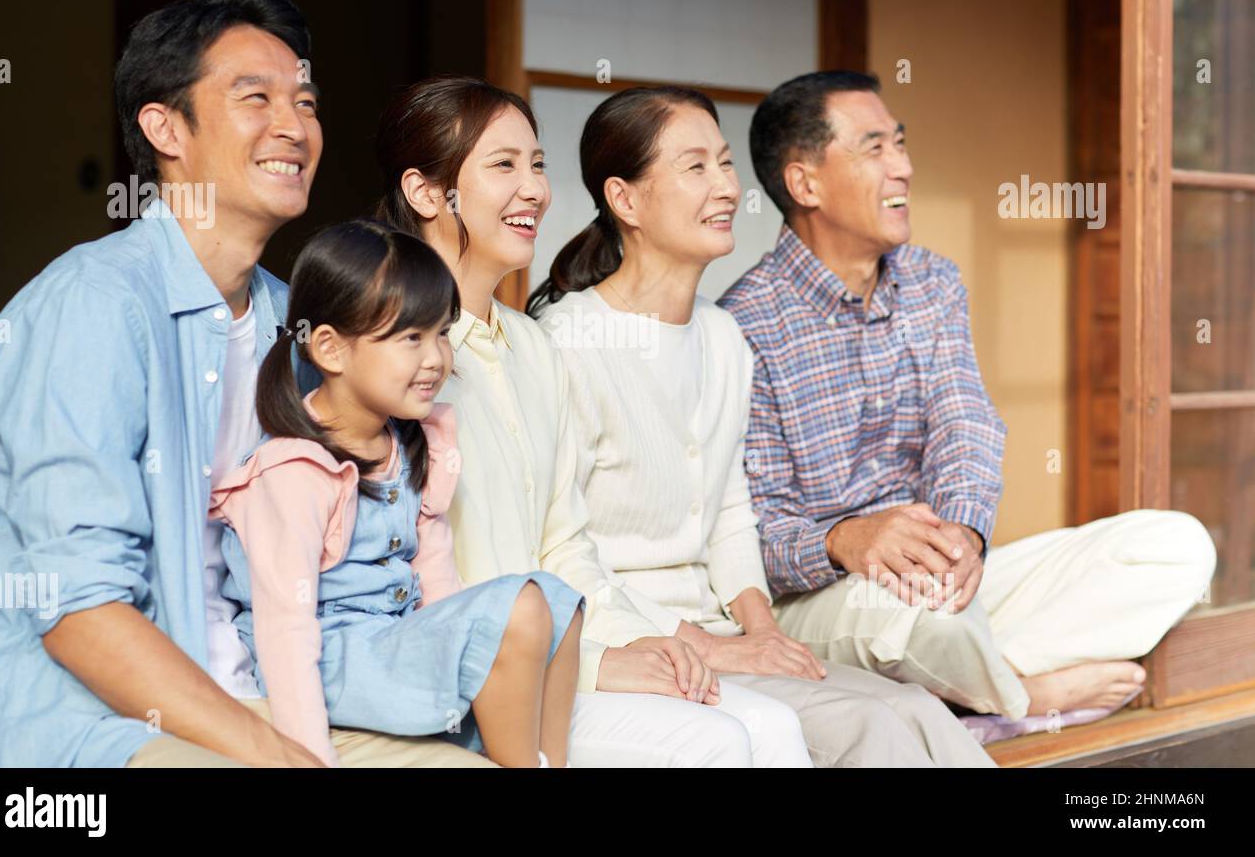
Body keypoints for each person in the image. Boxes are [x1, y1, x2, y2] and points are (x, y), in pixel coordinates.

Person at [0, 0, 489, 767]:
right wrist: (276, 755)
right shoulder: (90, 308)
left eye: (304, 102)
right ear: (164, 127)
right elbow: (76, 610)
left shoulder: (298, 323)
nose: (293, 126)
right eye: (256, 99)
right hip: (100, 729)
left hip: (274, 694)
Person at [719, 71, 1217, 721]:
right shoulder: (741, 326)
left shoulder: (933, 282)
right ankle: (1023, 697)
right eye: (875, 149)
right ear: (804, 183)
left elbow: (967, 429)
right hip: (829, 599)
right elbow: (749, 532)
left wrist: (963, 536)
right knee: (922, 619)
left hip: (936, 575)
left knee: (1175, 546)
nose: (904, 167)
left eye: (900, 143)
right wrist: (846, 539)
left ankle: (956, 685)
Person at [527, 85, 994, 766]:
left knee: (914, 708)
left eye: (724, 163)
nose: (725, 187)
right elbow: (563, 555)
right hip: (631, 643)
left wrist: (763, 633)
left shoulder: (723, 336)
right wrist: (716, 646)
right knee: (874, 729)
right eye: (695, 168)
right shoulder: (566, 342)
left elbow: (731, 516)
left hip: (725, 631)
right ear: (625, 200)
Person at [374, 75, 812, 766]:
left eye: (538, 164)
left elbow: (568, 548)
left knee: (772, 727)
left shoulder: (532, 347)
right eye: (503, 166)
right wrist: (602, 662)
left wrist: (636, 642)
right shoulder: (394, 355)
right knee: (719, 741)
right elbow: (415, 573)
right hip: (474, 675)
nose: (534, 190)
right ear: (428, 193)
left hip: (564, 652)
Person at [209, 220, 584, 767]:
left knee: (555, 600)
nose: (435, 358)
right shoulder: (294, 471)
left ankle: (546, 760)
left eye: (440, 332)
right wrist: (310, 758)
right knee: (522, 606)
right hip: (332, 661)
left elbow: (438, 582)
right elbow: (284, 631)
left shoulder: (412, 445)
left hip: (397, 645)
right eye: (411, 338)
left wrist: (457, 647)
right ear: (332, 350)